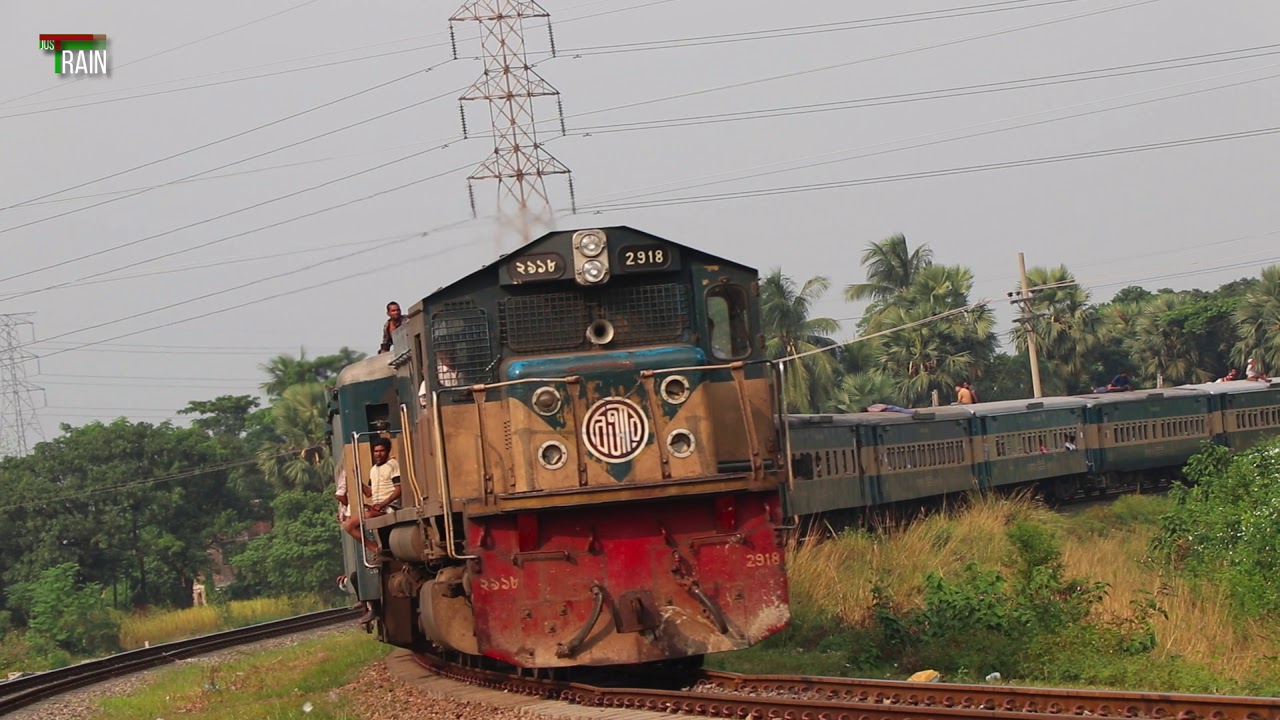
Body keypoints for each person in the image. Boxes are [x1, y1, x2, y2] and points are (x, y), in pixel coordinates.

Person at [341, 438, 401, 554]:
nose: (378, 454)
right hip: (377, 507)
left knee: (350, 525)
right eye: (376, 451)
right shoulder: (373, 469)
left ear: (388, 451)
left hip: (390, 506)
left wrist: (382, 504)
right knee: (348, 524)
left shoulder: (393, 465)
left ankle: (374, 550)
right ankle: (375, 548)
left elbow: (399, 490)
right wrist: (357, 478)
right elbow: (369, 493)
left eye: (382, 451)